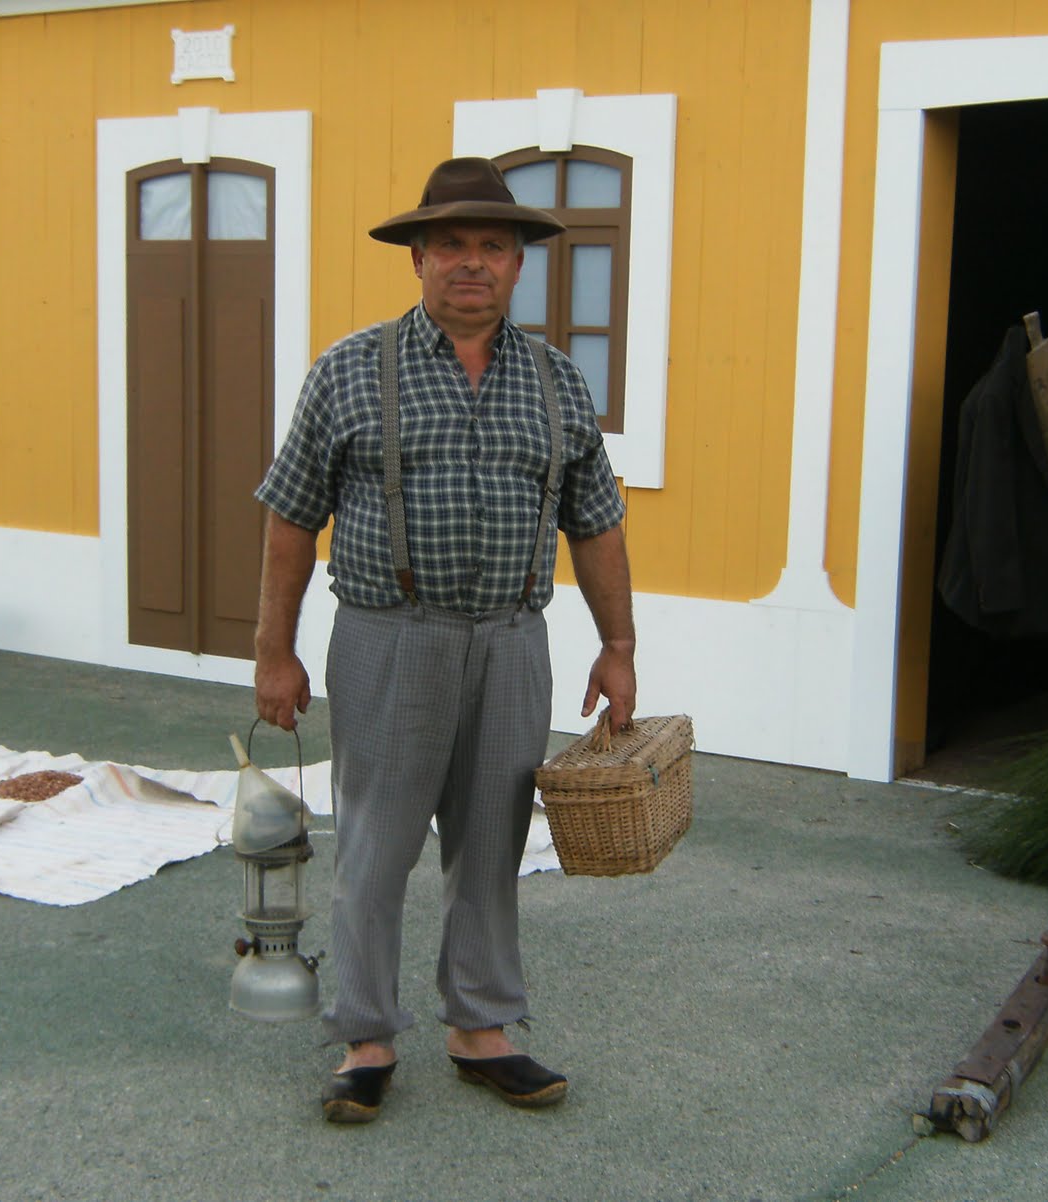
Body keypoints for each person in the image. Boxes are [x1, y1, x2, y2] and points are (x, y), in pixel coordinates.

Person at [252, 157, 636, 1123]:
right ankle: (367, 1035)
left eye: (494, 247)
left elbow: (596, 523)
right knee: (375, 844)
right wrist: (274, 650)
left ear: (519, 265)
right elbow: (290, 520)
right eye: (454, 245)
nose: (475, 263)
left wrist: (618, 646)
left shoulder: (558, 381)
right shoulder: (348, 369)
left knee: (494, 839)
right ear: (418, 258)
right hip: (389, 637)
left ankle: (482, 1027)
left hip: (514, 641)